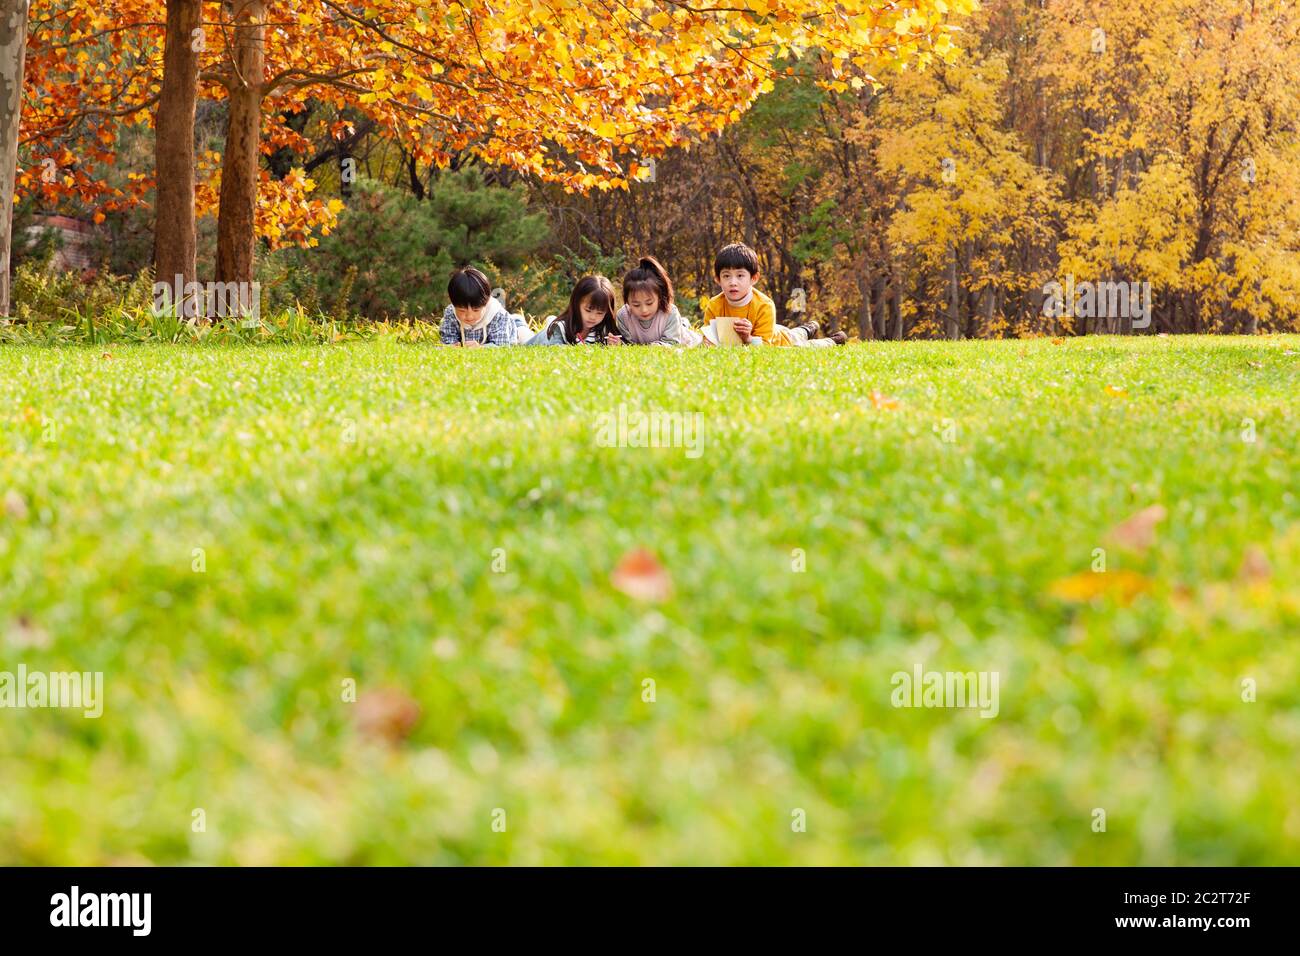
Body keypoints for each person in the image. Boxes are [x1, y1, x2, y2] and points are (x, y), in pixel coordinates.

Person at [701, 242, 845, 346]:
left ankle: (832, 340)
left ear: (754, 278)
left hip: (777, 341)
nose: (733, 282)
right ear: (718, 279)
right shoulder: (714, 305)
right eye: (726, 276)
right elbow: (710, 341)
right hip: (774, 330)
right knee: (796, 334)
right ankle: (806, 329)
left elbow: (764, 346)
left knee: (802, 346)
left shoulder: (764, 305)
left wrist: (748, 338)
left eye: (740, 276)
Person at [615, 257, 699, 345]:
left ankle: (683, 324)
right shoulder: (623, 316)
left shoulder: (670, 313)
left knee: (685, 331)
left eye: (649, 303)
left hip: (683, 337)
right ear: (627, 301)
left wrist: (653, 347)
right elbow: (628, 344)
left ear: (659, 297)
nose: (644, 310)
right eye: (636, 305)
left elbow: (672, 343)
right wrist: (619, 343)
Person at [439, 267, 529, 346]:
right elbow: (448, 339)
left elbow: (502, 346)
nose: (469, 316)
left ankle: (518, 321)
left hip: (515, 329)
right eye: (462, 311)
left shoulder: (498, 315)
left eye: (476, 310)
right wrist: (452, 345)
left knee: (528, 341)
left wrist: (481, 348)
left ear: (487, 302)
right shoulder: (451, 312)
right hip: (503, 323)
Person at [525, 275, 623, 345]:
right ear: (576, 303)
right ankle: (518, 321)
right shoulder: (560, 328)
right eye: (588, 310)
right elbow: (554, 351)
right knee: (523, 337)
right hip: (539, 339)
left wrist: (615, 345)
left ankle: (549, 319)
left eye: (600, 313)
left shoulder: (602, 330)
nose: (593, 317)